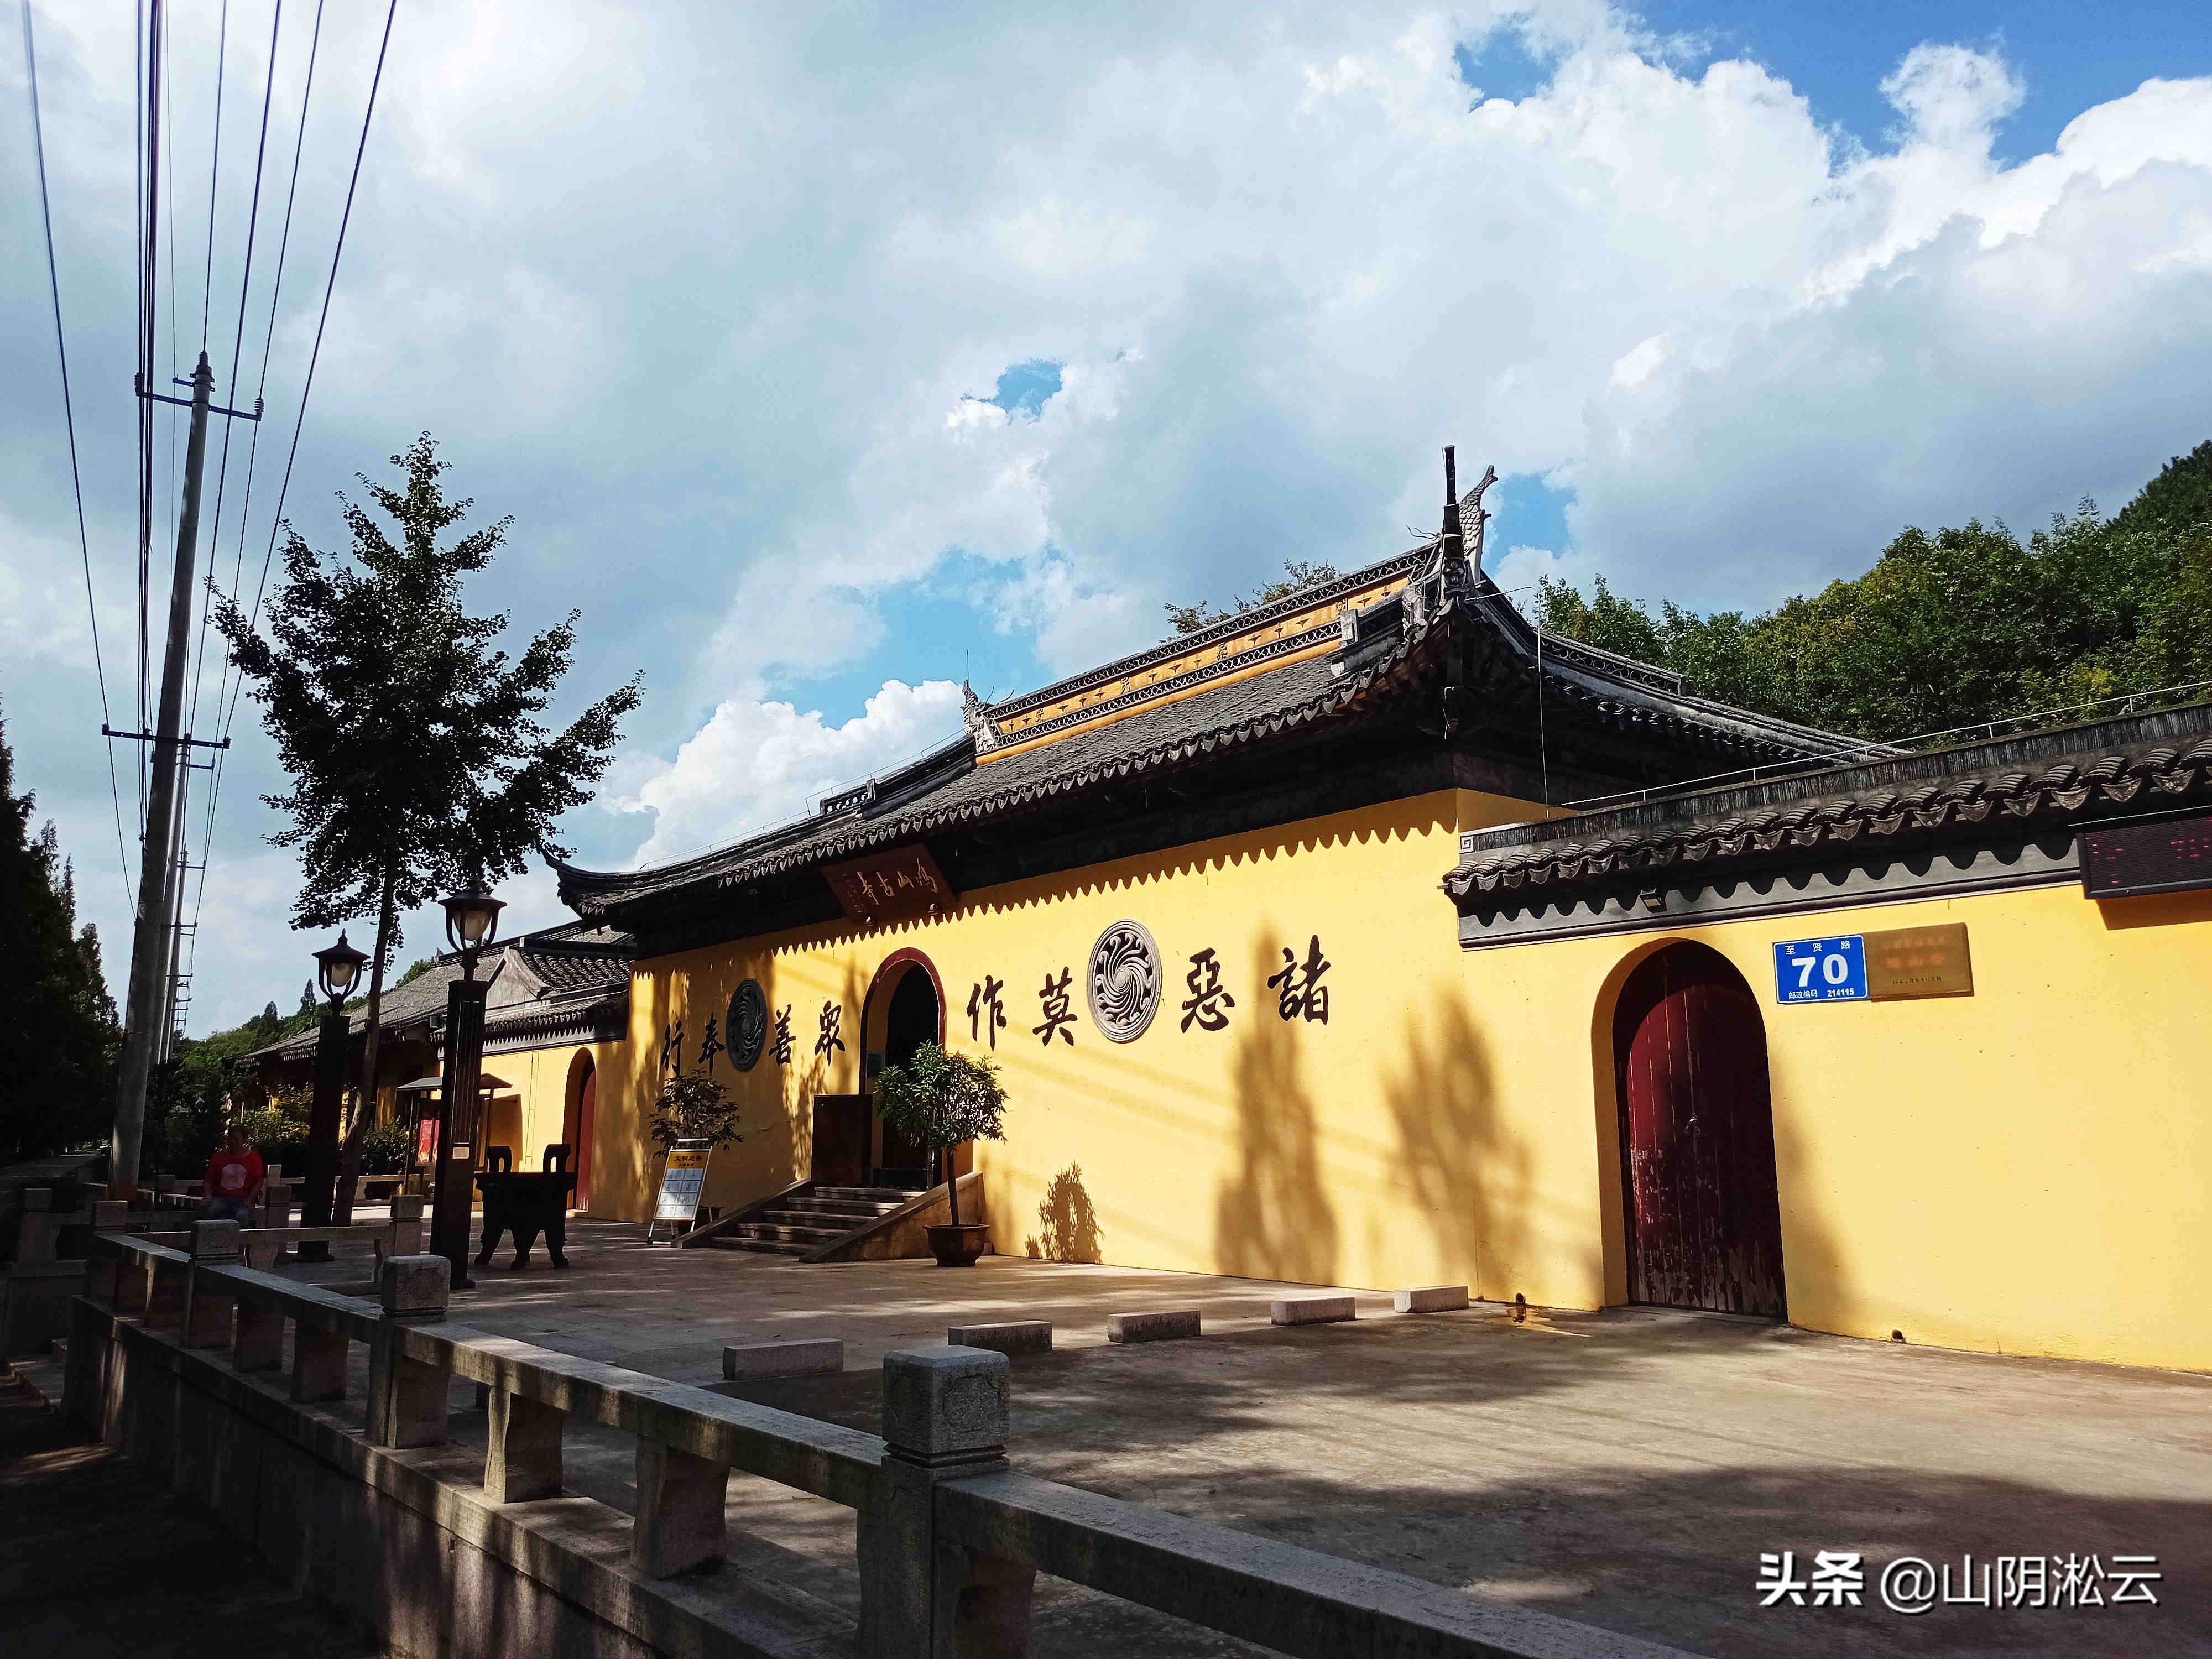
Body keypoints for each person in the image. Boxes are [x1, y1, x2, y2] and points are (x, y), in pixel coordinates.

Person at [202, 1126, 265, 1223]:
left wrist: (250, 1200)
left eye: (236, 1139)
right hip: (221, 1198)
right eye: (231, 1138)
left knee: (242, 1216)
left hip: (243, 1199)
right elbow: (208, 1180)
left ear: (244, 1140)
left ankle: (241, 1238)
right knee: (209, 1211)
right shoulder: (218, 1157)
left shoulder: (254, 1158)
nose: (232, 1142)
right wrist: (208, 1197)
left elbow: (258, 1181)